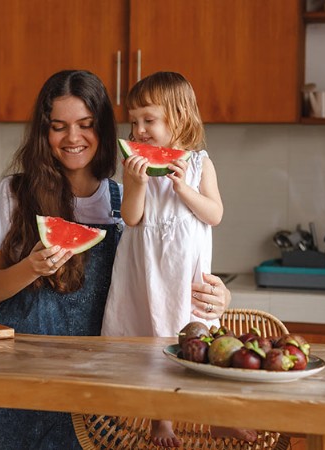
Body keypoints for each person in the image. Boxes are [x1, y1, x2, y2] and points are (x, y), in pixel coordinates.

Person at [0, 70, 232, 450]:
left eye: (85, 125)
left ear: (103, 130)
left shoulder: (129, 198)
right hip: (11, 381)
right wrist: (30, 267)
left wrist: (220, 298)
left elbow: (160, 274)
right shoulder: (15, 192)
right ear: (44, 132)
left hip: (91, 392)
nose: (72, 138)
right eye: (58, 127)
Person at [100, 71, 255, 446]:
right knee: (153, 348)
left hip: (186, 282)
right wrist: (136, 182)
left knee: (202, 348)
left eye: (148, 120)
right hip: (146, 277)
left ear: (180, 117)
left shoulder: (201, 164)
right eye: (133, 121)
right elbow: (133, 218)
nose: (138, 130)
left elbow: (214, 213)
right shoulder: (134, 169)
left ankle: (216, 416)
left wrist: (183, 187)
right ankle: (161, 420)